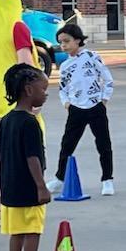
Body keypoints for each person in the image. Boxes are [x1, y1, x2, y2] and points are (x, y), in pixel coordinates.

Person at [0, 0, 43, 228]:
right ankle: (18, 205)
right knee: (26, 154)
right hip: (17, 101)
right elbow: (25, 63)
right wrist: (34, 96)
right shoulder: (17, 27)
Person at [0, 64, 54, 251]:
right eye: (43, 89)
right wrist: (41, 186)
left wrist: (10, 168)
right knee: (32, 230)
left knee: (16, 231)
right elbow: (33, 157)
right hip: (29, 187)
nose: (46, 94)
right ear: (29, 90)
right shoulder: (30, 122)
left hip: (10, 185)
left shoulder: (7, 119)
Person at [46, 25, 115, 196]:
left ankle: (107, 179)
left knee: (103, 144)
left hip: (95, 106)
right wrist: (66, 103)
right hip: (76, 109)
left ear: (77, 40)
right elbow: (63, 87)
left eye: (67, 41)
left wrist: (104, 99)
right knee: (67, 144)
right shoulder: (65, 65)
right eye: (60, 42)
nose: (63, 45)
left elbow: (107, 79)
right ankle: (60, 179)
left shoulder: (92, 57)